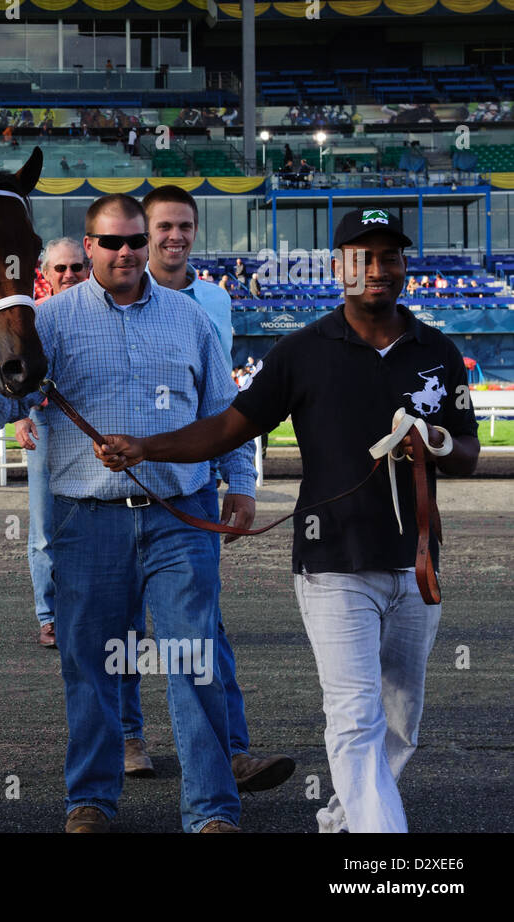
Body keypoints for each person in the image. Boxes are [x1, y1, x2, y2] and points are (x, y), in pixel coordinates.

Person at [95, 208, 480, 833]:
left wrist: (437, 444)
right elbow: (228, 427)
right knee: (356, 715)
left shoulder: (438, 350)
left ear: (406, 266)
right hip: (332, 565)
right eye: (362, 256)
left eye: (389, 257)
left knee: (402, 723)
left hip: (416, 564)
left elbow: (467, 450)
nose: (377, 269)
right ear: (338, 268)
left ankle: (340, 817)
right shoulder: (300, 352)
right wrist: (147, 445)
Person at [0, 194, 247, 833]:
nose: (127, 253)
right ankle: (89, 800)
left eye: (136, 242)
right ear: (87, 247)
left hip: (181, 513)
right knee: (89, 664)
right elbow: (5, 411)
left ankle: (211, 812)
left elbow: (228, 412)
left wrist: (243, 484)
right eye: (111, 242)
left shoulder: (189, 318)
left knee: (192, 659)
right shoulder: (49, 322)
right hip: (86, 519)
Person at [133, 186, 295, 790]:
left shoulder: (214, 303)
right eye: (164, 227)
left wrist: (242, 480)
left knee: (203, 631)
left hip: (190, 490)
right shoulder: (108, 299)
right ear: (145, 234)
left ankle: (230, 753)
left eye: (185, 226)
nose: (175, 237)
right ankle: (129, 738)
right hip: (116, 490)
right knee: (120, 627)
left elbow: (224, 402)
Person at [15, 238, 88, 649]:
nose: (69, 275)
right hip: (46, 424)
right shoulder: (33, 321)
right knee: (44, 526)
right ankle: (49, 617)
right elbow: (15, 379)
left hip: (96, 428)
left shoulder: (102, 316)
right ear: (45, 274)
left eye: (76, 267)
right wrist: (21, 416)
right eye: (60, 268)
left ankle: (90, 610)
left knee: (98, 521)